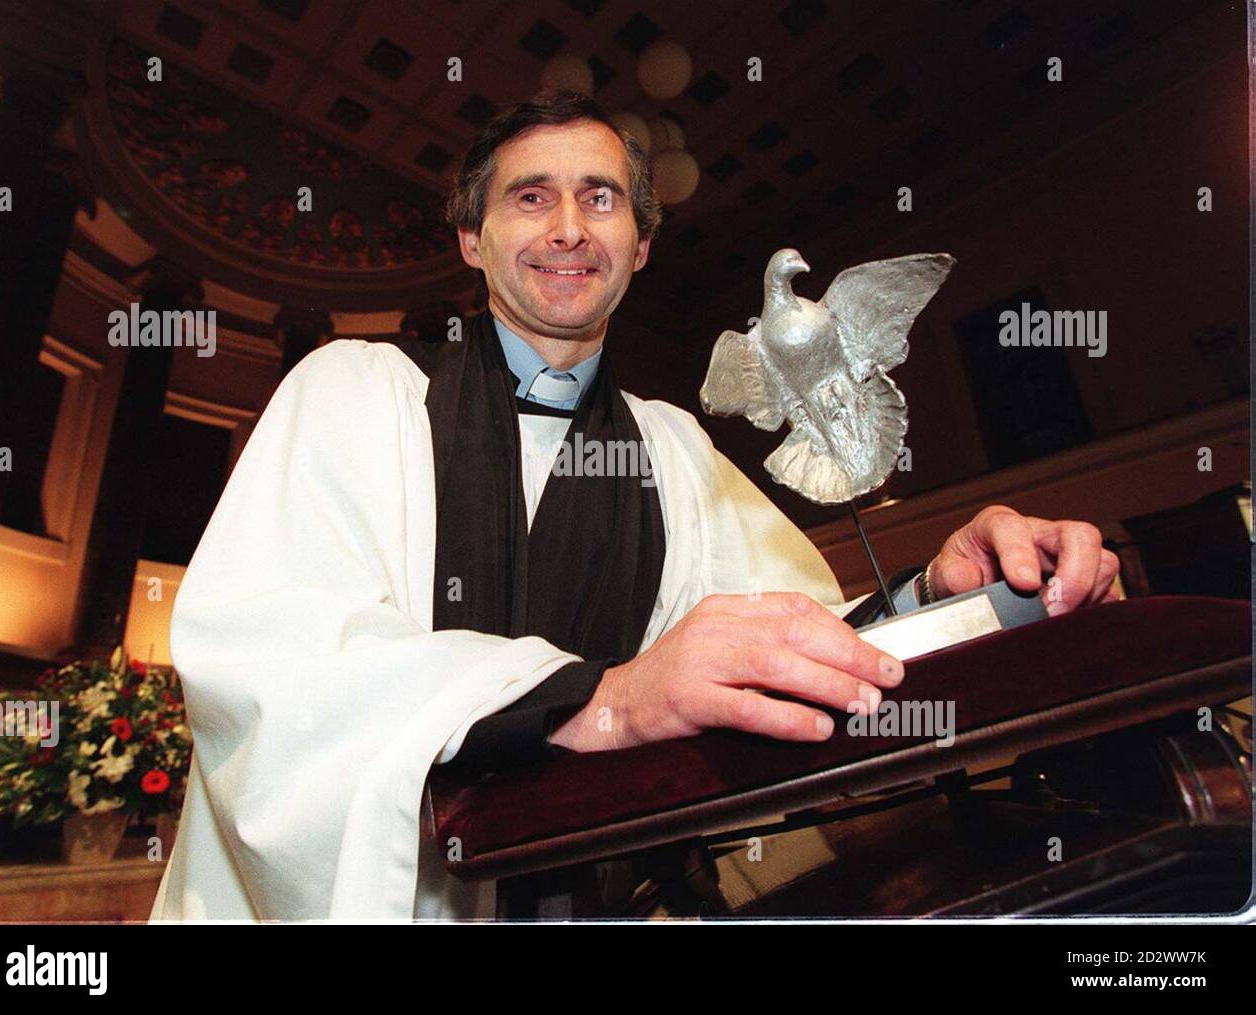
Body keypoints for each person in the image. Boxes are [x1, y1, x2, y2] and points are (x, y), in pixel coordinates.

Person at [149, 91, 1120, 922]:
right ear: (470, 239)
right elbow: (272, 654)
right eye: (530, 197)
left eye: (599, 199)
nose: (568, 227)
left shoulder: (673, 446)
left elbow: (787, 646)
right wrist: (601, 699)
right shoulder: (352, 388)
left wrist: (938, 597)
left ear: (640, 244)